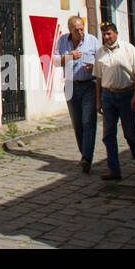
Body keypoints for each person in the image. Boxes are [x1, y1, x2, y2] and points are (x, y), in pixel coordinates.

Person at [94, 20, 135, 181]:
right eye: (104, 33)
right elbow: (98, 78)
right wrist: (98, 100)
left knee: (130, 133)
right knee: (108, 134)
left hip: (126, 95)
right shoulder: (100, 53)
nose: (106, 36)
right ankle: (114, 169)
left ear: (116, 33)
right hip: (108, 95)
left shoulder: (128, 49)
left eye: (109, 33)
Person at [52, 15, 99, 173]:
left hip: (89, 85)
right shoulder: (63, 41)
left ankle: (86, 158)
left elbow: (101, 61)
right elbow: (55, 61)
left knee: (88, 121)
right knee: (78, 123)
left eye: (81, 29)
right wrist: (69, 56)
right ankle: (84, 153)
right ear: (70, 30)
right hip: (71, 85)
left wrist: (93, 69)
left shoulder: (92, 40)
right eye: (76, 30)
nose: (80, 33)